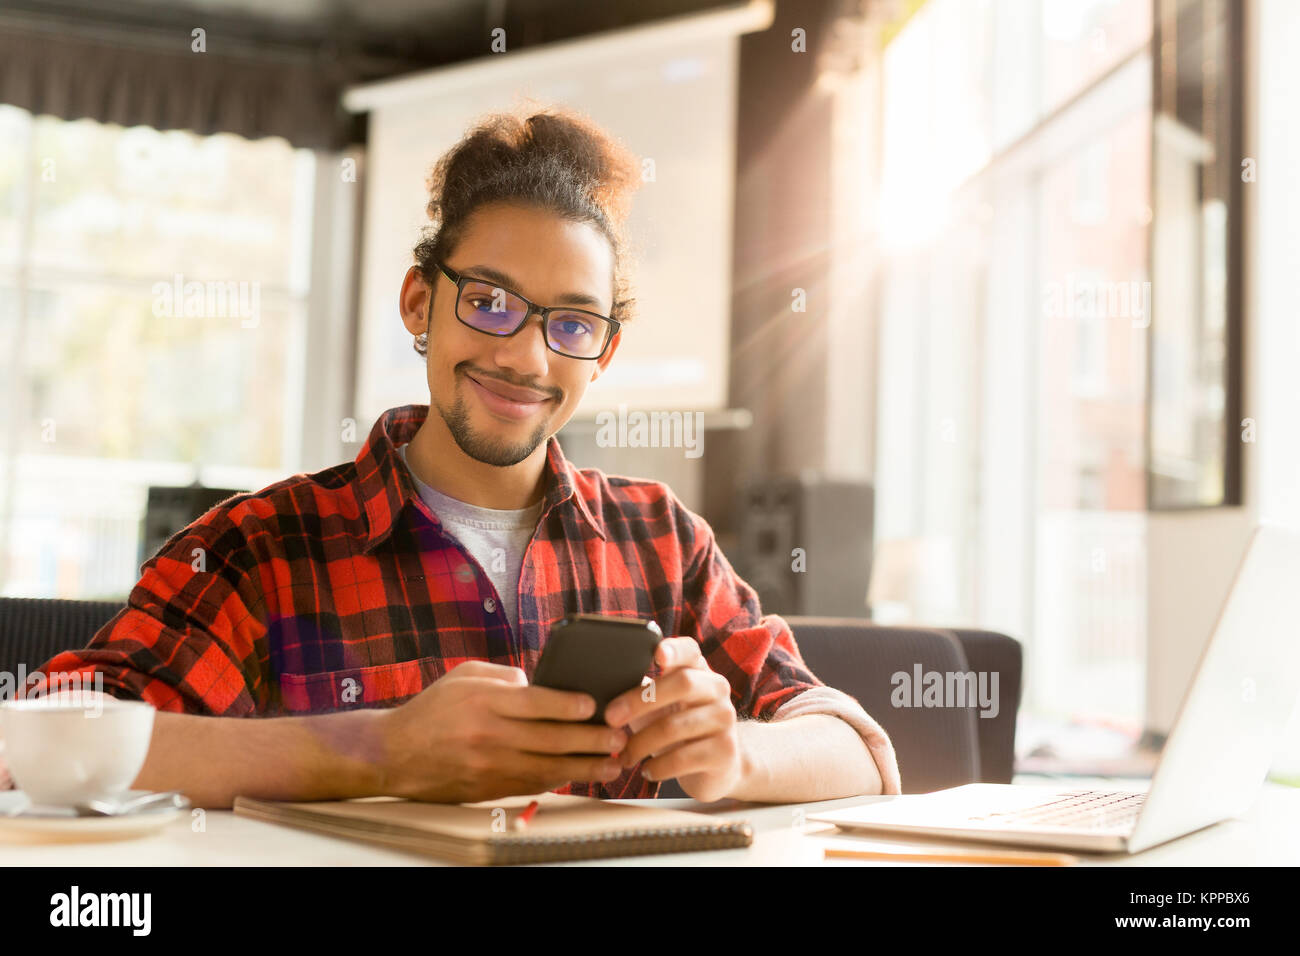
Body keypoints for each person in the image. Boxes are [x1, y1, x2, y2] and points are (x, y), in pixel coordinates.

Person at [13, 105, 900, 808]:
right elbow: (40, 746)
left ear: (604, 353)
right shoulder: (259, 548)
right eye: (488, 302)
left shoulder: (658, 537)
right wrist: (379, 749)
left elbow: (855, 751)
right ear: (417, 304)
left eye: (571, 324)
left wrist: (732, 752)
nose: (526, 357)